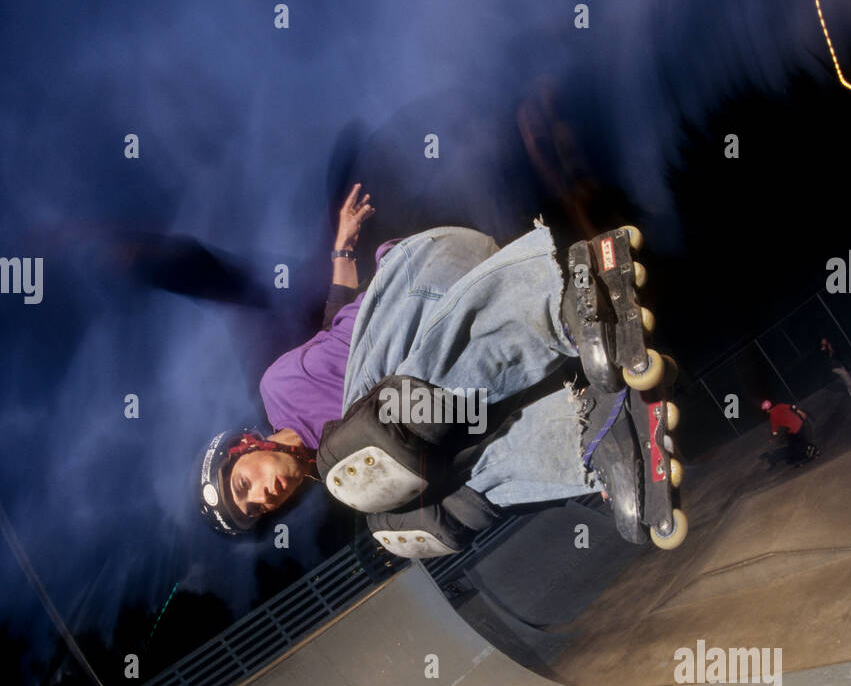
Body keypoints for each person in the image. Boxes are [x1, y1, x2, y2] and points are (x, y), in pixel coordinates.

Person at [197, 183, 686, 553]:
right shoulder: (345, 472)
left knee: (367, 456)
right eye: (259, 507)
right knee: (407, 507)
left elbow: (344, 326)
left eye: (246, 484)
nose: (267, 494)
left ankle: (563, 308)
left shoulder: (279, 390)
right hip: (472, 355)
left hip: (430, 277)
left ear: (245, 445)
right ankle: (594, 443)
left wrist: (342, 247)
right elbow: (334, 326)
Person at [760, 398, 819, 468]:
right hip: (799, 423)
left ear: (767, 410)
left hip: (795, 429)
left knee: (794, 445)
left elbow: (775, 432)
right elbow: (792, 407)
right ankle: (804, 453)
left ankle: (812, 450)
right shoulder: (780, 406)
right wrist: (800, 412)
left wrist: (772, 438)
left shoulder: (772, 417)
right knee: (794, 442)